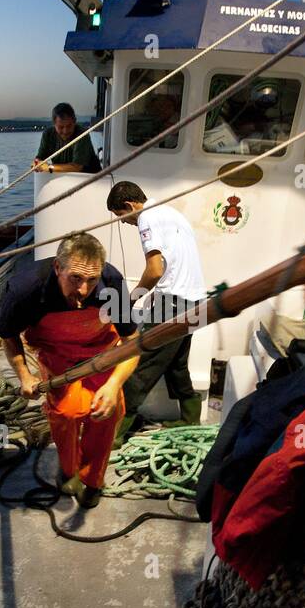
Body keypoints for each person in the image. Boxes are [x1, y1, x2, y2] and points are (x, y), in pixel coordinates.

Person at [0, 233, 139, 508]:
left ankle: (93, 479)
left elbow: (132, 344)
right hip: (57, 354)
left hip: (102, 352)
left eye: (92, 280)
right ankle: (69, 468)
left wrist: (113, 386)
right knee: (67, 412)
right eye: (75, 278)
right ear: (58, 268)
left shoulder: (112, 283)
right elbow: (9, 335)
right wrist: (25, 376)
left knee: (107, 413)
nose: (84, 290)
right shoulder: (25, 289)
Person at [106, 181, 205, 444]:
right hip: (197, 302)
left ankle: (115, 433)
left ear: (128, 206)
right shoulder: (171, 212)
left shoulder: (146, 218)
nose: (124, 223)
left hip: (173, 305)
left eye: (120, 216)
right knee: (176, 363)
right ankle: (190, 418)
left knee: (141, 364)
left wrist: (131, 300)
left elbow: (155, 270)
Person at [33, 102, 101, 174]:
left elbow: (77, 167)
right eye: (61, 127)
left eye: (69, 126)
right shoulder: (48, 134)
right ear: (54, 124)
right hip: (63, 178)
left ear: (75, 121)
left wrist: (49, 167)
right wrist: (36, 163)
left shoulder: (82, 134)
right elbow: (39, 158)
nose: (65, 131)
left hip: (91, 178)